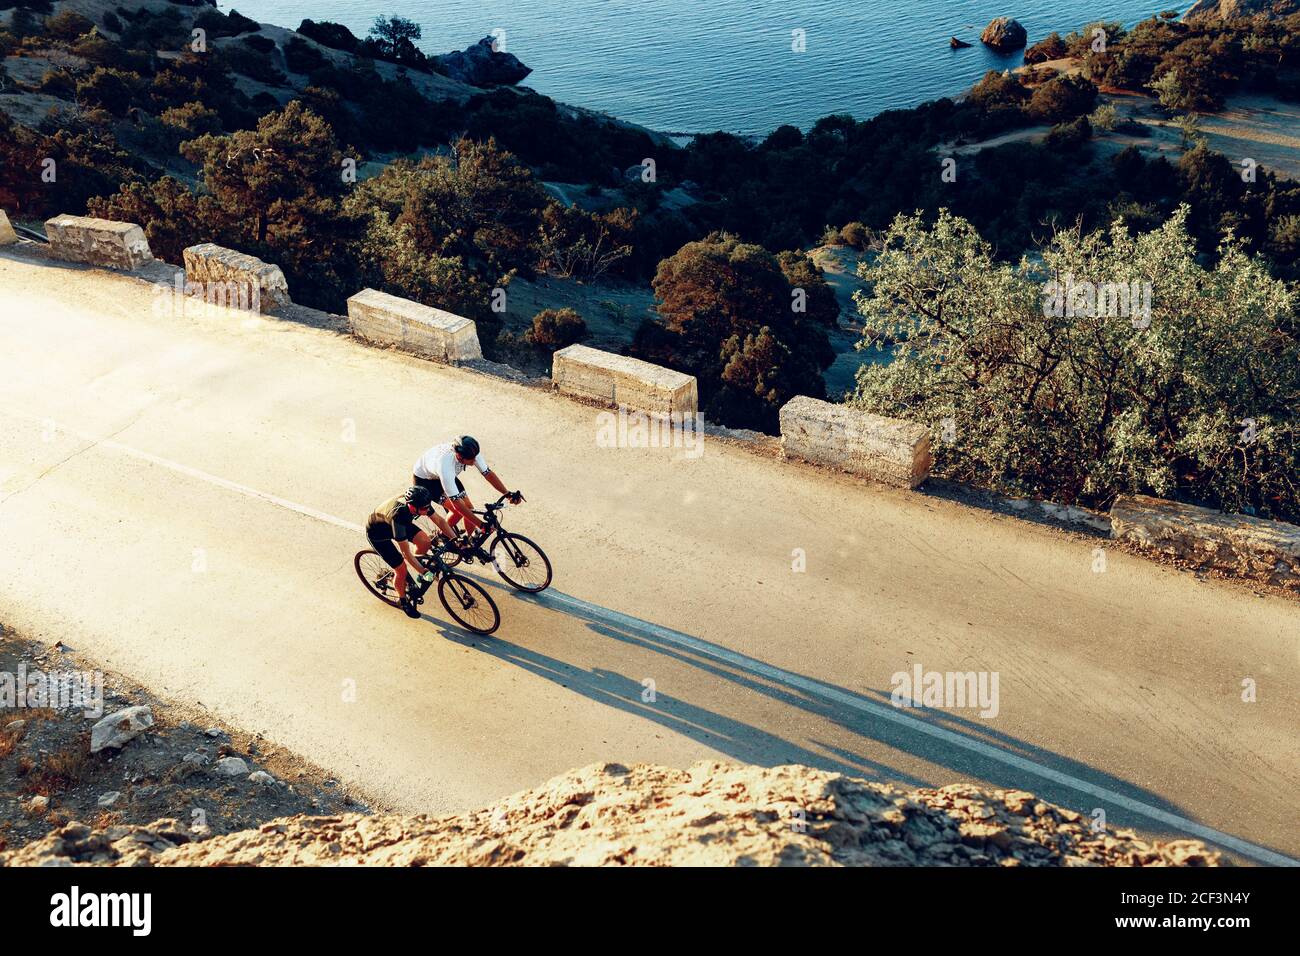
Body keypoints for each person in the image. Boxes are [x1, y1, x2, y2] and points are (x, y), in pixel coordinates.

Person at [412, 436, 522, 555]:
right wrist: (481, 525)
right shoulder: (445, 466)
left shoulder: (471, 453)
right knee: (458, 511)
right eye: (471, 460)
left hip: (440, 474)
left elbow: (488, 473)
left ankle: (469, 543)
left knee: (469, 508)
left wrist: (507, 493)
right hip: (425, 480)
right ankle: (442, 535)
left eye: (475, 458)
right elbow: (457, 506)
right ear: (459, 456)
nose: (474, 461)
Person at [364, 486, 452, 618]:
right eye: (423, 509)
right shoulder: (399, 516)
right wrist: (425, 572)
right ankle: (403, 601)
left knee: (425, 542)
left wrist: (455, 540)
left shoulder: (421, 503)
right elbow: (406, 553)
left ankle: (418, 568)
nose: (427, 510)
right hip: (379, 534)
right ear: (412, 507)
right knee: (401, 569)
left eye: (428, 507)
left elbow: (439, 520)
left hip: (396, 524)